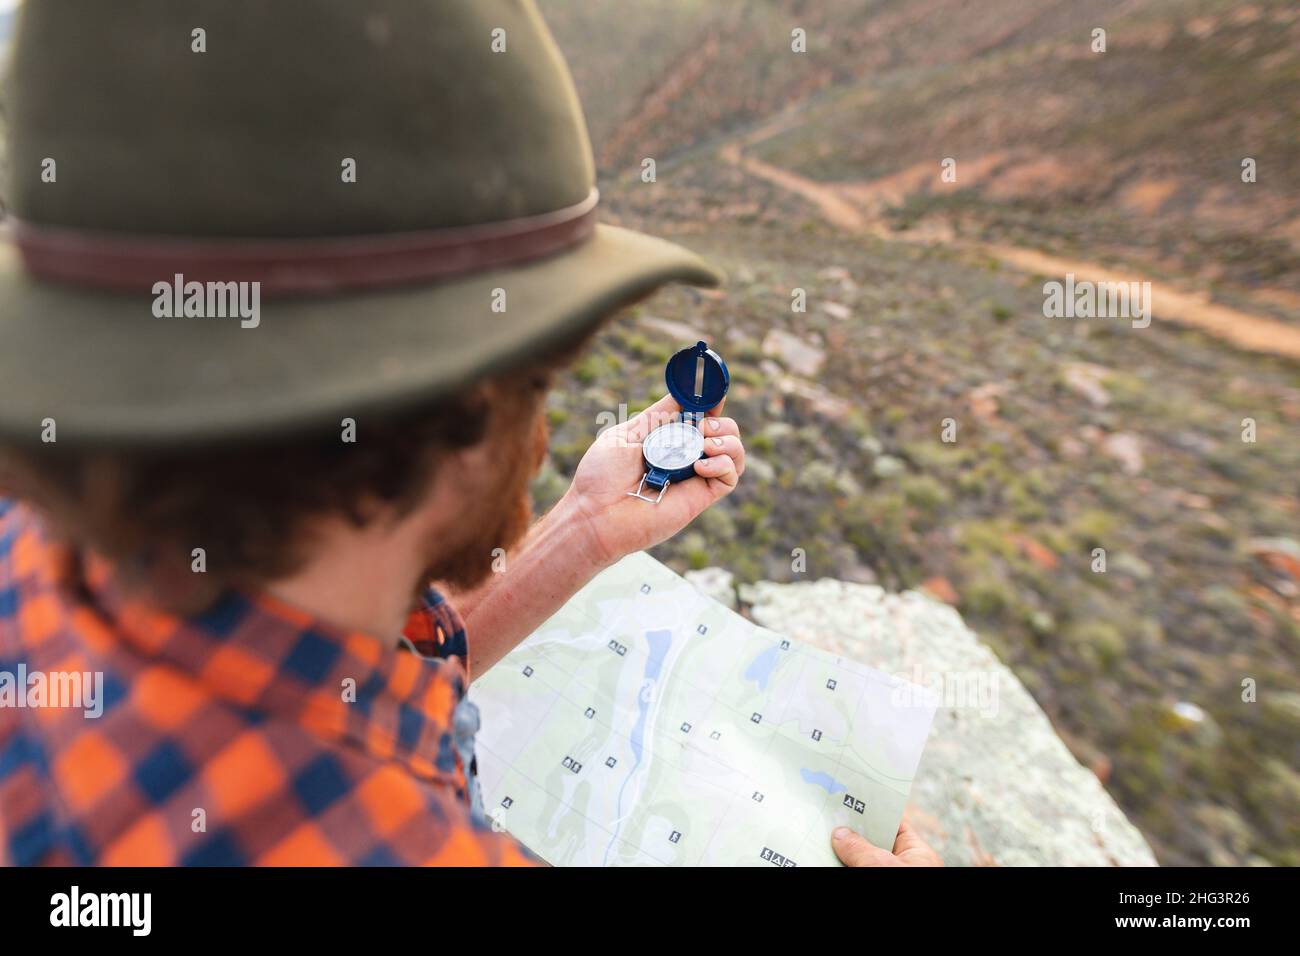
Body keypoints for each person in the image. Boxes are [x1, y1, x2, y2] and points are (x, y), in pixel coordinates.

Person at [0, 0, 939, 867]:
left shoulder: (30, 550)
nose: (540, 434)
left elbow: (343, 681)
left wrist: (582, 529)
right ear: (467, 405)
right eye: (539, 375)